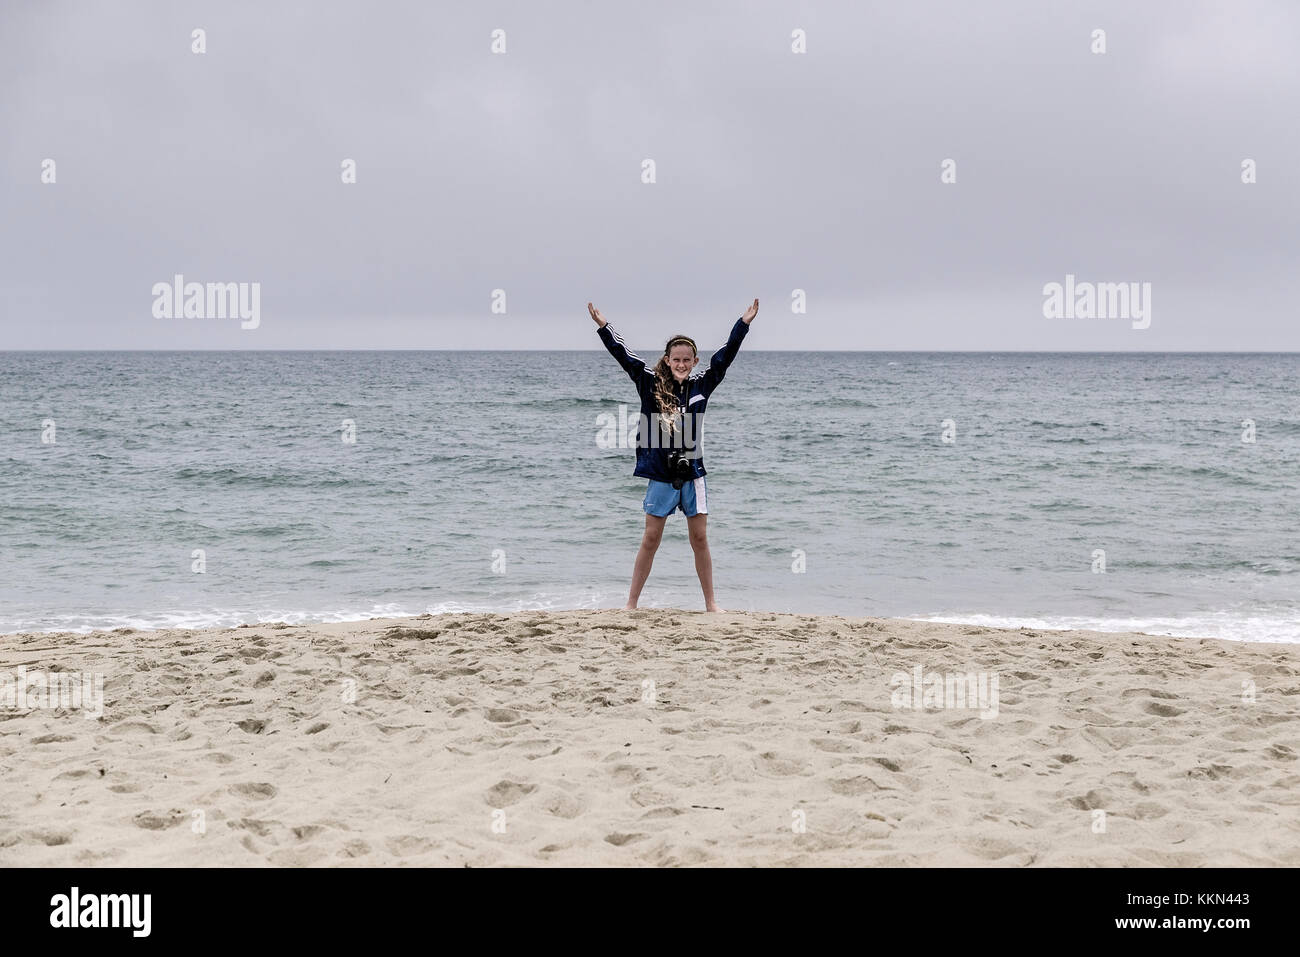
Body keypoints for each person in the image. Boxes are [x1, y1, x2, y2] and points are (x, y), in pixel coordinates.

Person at [589, 299, 759, 611]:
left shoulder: (701, 386)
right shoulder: (650, 383)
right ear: (667, 360)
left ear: (694, 361)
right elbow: (624, 357)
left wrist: (743, 324)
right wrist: (604, 327)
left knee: (700, 540)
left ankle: (711, 604)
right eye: (675, 359)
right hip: (660, 475)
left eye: (686, 359)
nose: (681, 363)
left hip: (693, 473)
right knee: (650, 539)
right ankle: (631, 604)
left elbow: (725, 357)